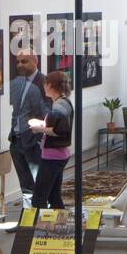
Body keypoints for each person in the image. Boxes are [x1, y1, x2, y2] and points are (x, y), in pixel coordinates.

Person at [8, 48, 48, 211]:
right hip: (17, 140)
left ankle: (41, 221)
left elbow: (48, 113)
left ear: (35, 61)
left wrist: (38, 136)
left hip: (33, 141)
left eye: (24, 61)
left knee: (39, 185)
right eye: (18, 62)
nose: (20, 65)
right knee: (25, 185)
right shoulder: (18, 83)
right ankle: (26, 221)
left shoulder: (44, 83)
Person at [28, 70, 73, 211]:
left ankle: (38, 227)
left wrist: (38, 128)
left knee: (39, 196)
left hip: (53, 156)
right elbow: (57, 126)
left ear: (51, 85)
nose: (44, 86)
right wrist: (42, 124)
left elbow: (59, 131)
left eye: (45, 84)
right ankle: (61, 226)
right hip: (59, 154)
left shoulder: (59, 105)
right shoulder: (63, 102)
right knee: (54, 196)